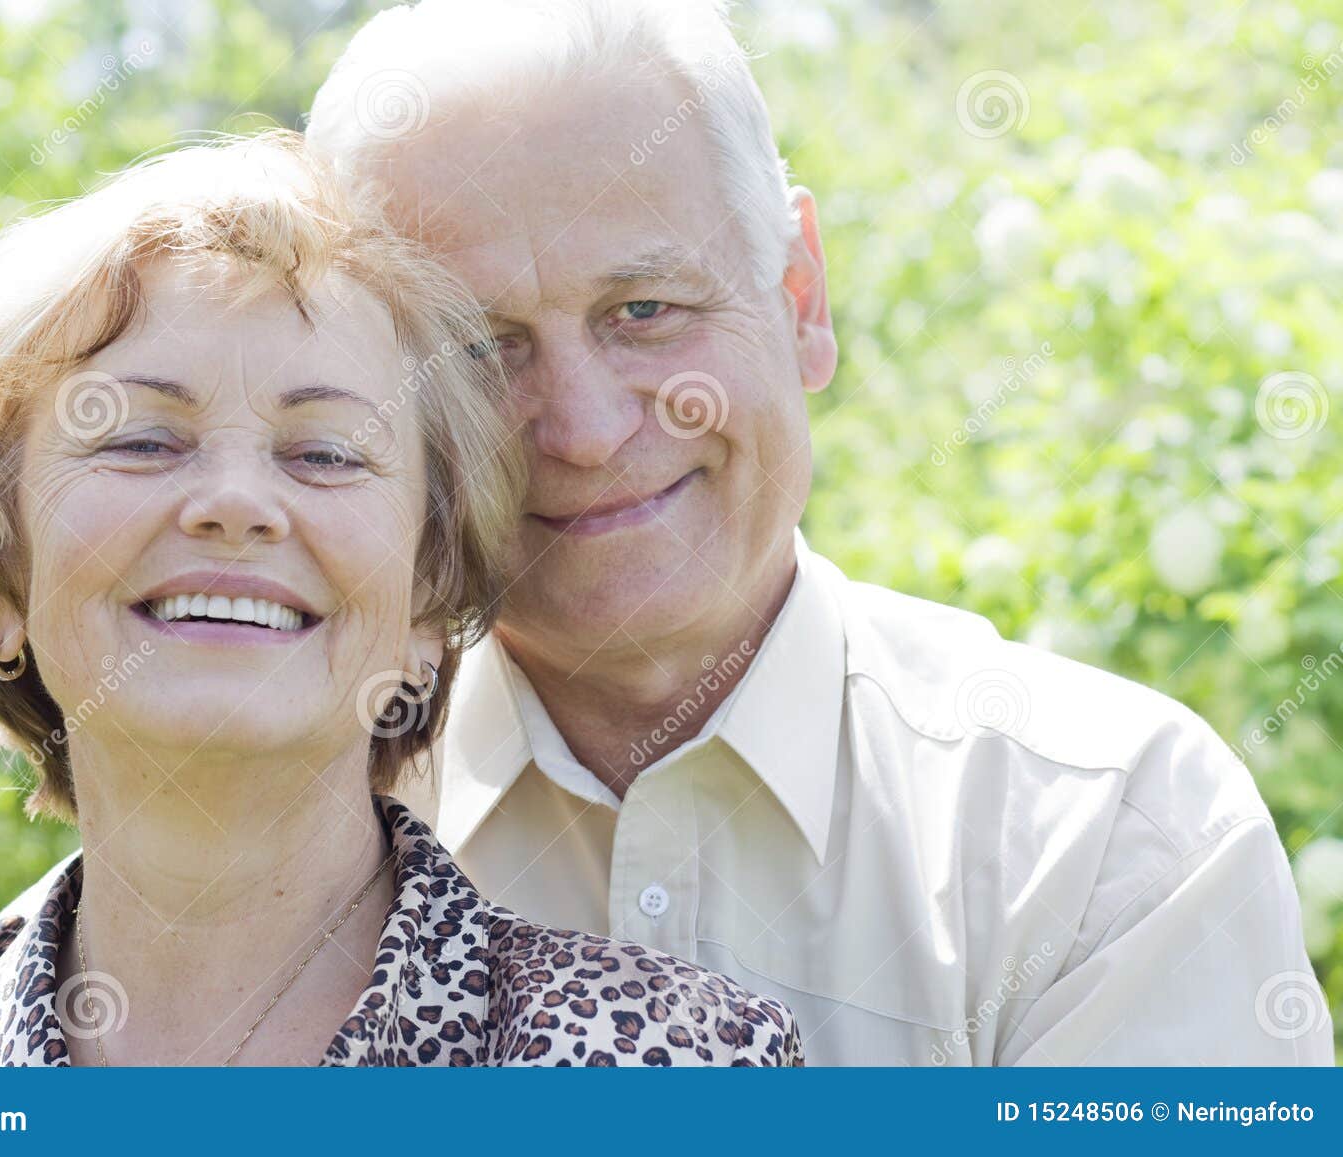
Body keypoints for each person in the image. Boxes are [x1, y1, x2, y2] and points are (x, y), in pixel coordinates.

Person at [305, 0, 1334, 1064]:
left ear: (799, 296)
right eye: (480, 349)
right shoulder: (283, 820)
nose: (585, 427)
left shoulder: (1107, 837)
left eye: (645, 309)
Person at [0, 130, 801, 1068]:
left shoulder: (683, 1066)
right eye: (142, 438)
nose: (238, 503)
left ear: (428, 602)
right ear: (1, 582)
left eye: (326, 451)